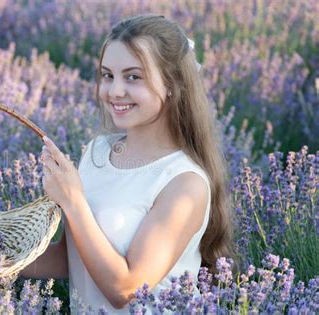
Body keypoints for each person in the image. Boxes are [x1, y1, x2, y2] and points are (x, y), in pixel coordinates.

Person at [20, 14, 234, 313]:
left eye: (133, 77)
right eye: (108, 75)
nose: (115, 91)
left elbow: (128, 289)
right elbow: (72, 258)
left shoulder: (184, 183)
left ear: (172, 84)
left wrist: (73, 201)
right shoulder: (97, 152)